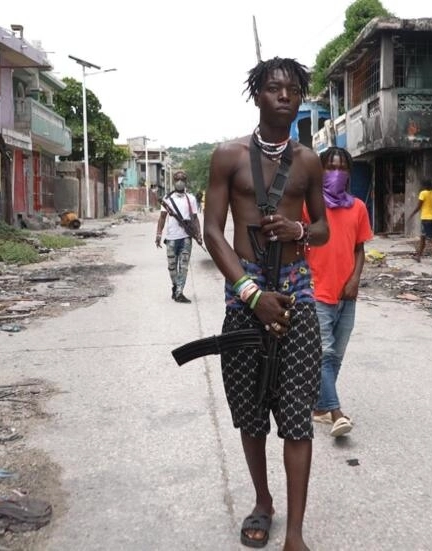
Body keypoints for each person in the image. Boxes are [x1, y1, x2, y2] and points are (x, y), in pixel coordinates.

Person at [203, 57, 328, 550]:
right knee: (251, 413)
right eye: (274, 88)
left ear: (300, 98)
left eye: (292, 90)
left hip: (295, 288)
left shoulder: (309, 161)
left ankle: (294, 533)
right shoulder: (228, 156)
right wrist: (251, 295)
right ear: (257, 95)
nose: (284, 96)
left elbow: (322, 227)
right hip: (246, 289)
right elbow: (213, 231)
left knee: (297, 415)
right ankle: (262, 502)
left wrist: (298, 229)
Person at [306, 146, 372, 438]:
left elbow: (360, 249)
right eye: (330, 167)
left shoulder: (357, 207)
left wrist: (355, 279)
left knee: (337, 354)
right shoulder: (309, 206)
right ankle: (336, 412)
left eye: (342, 168)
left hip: (347, 292)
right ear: (320, 171)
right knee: (324, 352)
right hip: (317, 289)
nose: (336, 173)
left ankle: (319, 407)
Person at [155, 171, 200, 303]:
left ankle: (179, 292)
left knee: (184, 267)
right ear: (174, 181)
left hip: (186, 237)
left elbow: (195, 218)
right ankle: (176, 286)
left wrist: (199, 234)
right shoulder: (167, 199)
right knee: (172, 267)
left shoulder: (191, 198)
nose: (180, 181)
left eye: (182, 179)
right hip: (171, 238)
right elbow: (162, 218)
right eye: (177, 179)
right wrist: (158, 234)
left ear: (185, 182)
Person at [408, 178, 432, 264]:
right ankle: (418, 256)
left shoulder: (423, 193)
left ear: (424, 185)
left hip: (425, 218)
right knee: (422, 238)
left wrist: (412, 214)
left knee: (431, 238)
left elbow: (418, 206)